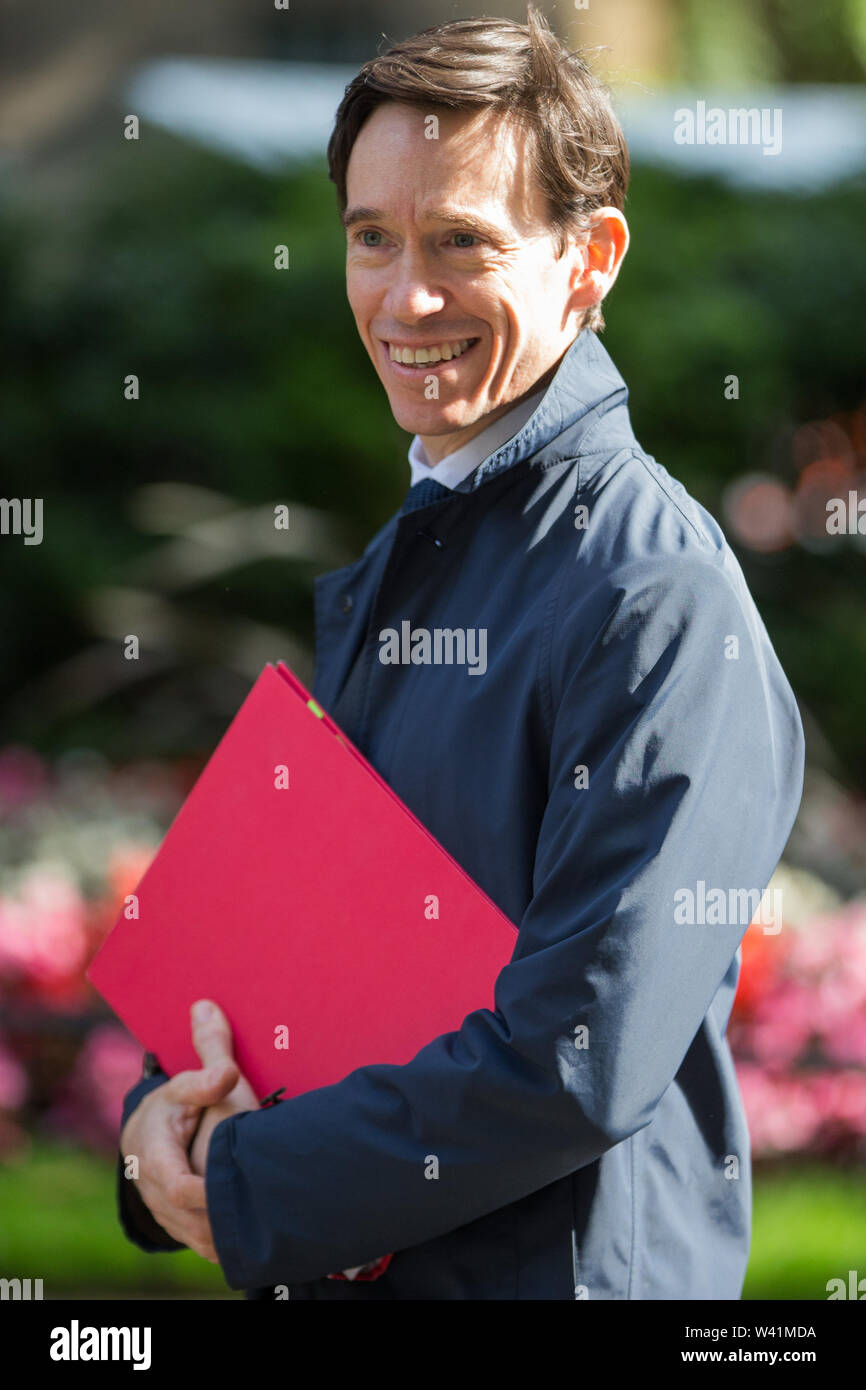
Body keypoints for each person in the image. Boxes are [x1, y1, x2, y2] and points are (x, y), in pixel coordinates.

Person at [117, 8, 805, 1299]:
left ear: (588, 259)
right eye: (371, 238)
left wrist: (253, 1179)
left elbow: (575, 1061)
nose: (402, 297)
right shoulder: (425, 544)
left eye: (460, 242)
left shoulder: (654, 594)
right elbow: (302, 939)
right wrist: (165, 1119)